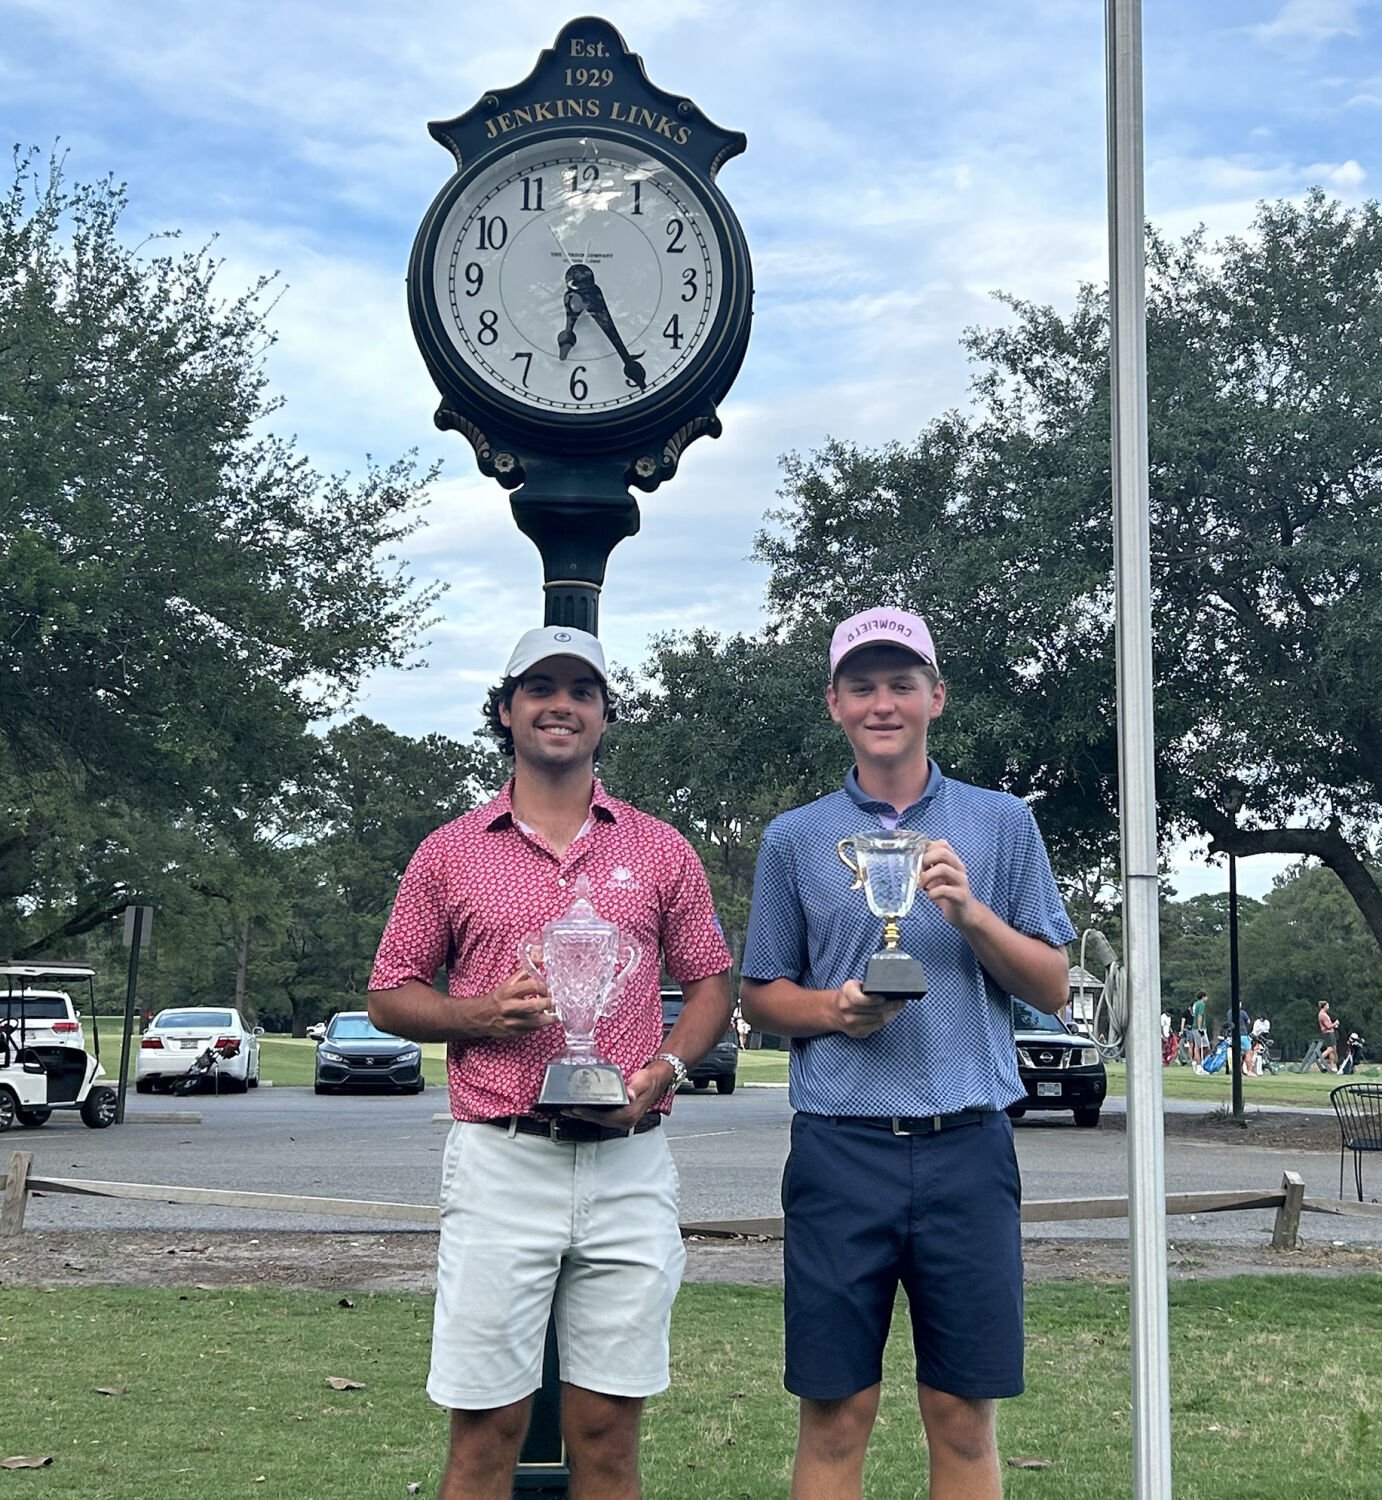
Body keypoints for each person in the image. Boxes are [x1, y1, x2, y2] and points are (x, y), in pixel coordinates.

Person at [367, 625, 733, 1500]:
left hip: (629, 1164)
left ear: (605, 716)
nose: (560, 705)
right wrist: (478, 1014)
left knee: (607, 1433)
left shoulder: (660, 847)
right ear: (505, 710)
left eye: (581, 691)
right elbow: (389, 993)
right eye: (539, 688)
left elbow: (712, 984)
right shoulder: (450, 849)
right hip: (503, 1159)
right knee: (486, 1429)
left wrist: (665, 1071)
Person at [739, 605, 1075, 1500]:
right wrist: (834, 1010)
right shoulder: (796, 837)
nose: (882, 703)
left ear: (937, 696)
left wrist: (970, 913)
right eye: (862, 687)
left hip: (968, 1144)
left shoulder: (1001, 823)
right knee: (835, 1412)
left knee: (962, 1415)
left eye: (901, 683)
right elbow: (761, 993)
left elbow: (1051, 985)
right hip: (841, 1146)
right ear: (835, 704)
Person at [1318, 1000, 1339, 1071]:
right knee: (1331, 1049)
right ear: (1324, 1006)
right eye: (1327, 1005)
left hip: (1330, 1033)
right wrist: (1335, 1023)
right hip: (1328, 1033)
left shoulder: (1324, 1014)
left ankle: (1333, 1067)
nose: (1328, 1007)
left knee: (1332, 1050)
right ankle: (1320, 1059)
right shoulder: (1322, 1015)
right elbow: (1328, 1026)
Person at [1190, 990, 1209, 1069]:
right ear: (1203, 997)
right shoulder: (1201, 1004)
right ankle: (1198, 1065)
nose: (1207, 998)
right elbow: (1199, 1015)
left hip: (1196, 1027)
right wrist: (1199, 1028)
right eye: (1206, 996)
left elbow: (1193, 1013)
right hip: (1199, 1028)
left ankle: (1198, 1061)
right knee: (1198, 1047)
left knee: (1205, 1047)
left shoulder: (1195, 1004)